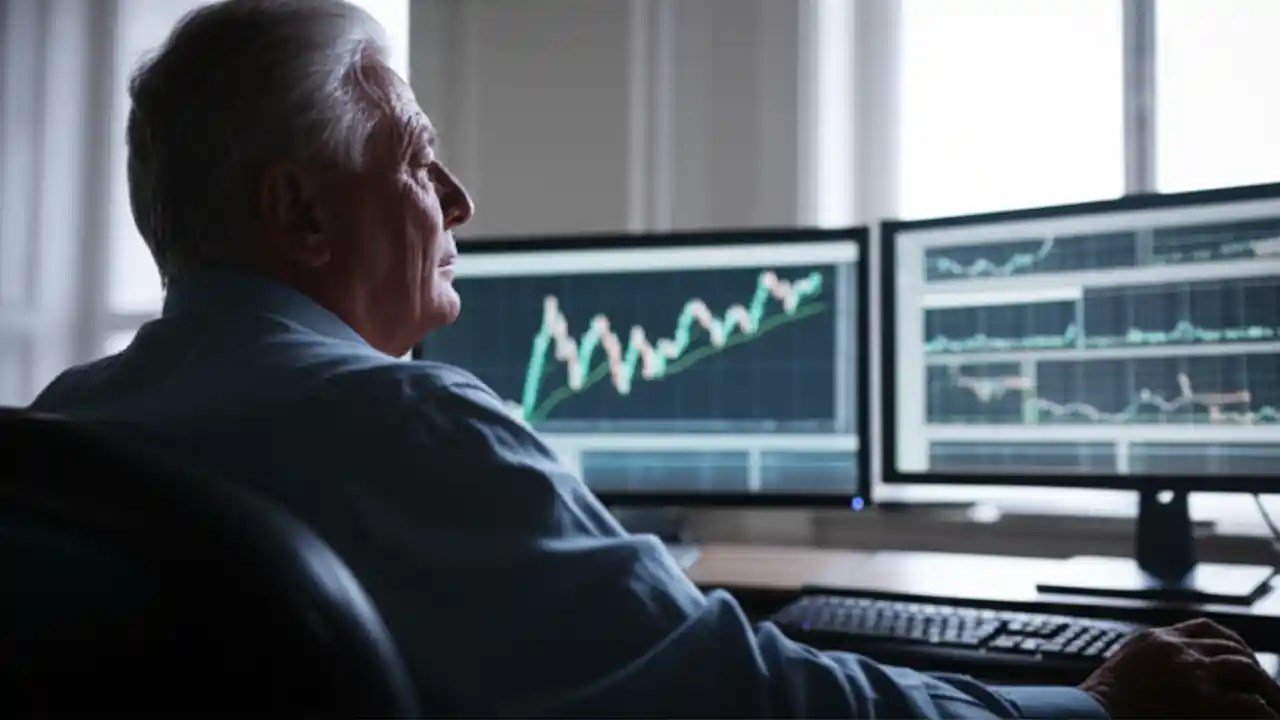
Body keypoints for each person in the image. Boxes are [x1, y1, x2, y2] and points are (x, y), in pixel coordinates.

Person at [29, 1, 1280, 717]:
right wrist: (1096, 708)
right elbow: (752, 706)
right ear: (301, 213)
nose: (457, 198)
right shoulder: (413, 432)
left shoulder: (59, 436)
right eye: (415, 157)